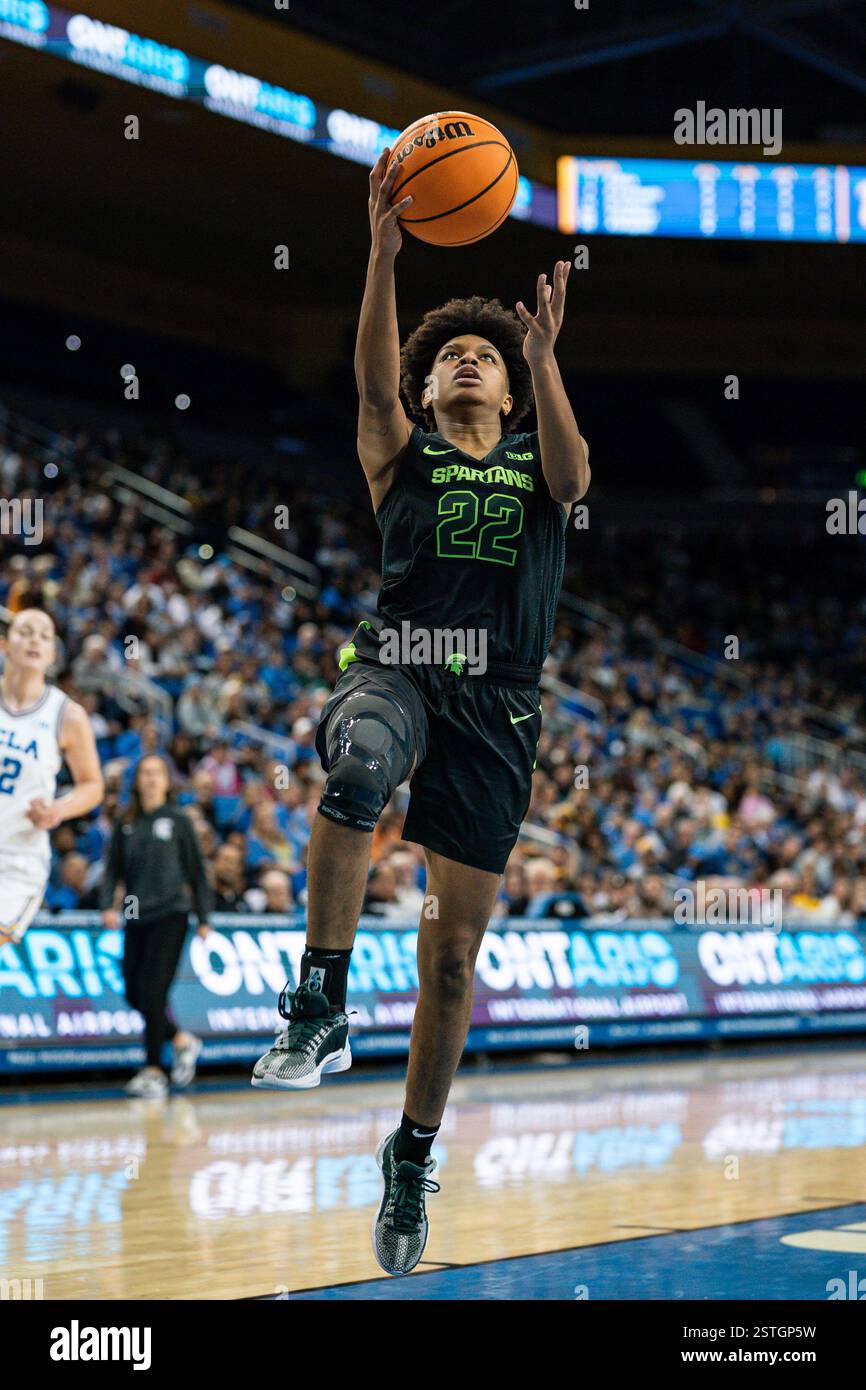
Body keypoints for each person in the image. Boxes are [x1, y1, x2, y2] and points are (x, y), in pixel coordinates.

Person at [252, 147, 590, 1275]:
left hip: (498, 707)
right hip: (398, 660)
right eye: (446, 352)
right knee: (352, 770)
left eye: (480, 358)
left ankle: (411, 1153)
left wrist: (542, 357)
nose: (461, 361)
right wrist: (381, 257)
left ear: (504, 389)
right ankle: (319, 1001)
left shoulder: (541, 472)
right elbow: (366, 385)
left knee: (449, 965)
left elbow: (579, 475)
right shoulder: (400, 457)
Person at [101, 754, 212, 1098]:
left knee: (153, 992)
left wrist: (204, 917)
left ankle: (153, 1070)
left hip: (171, 914)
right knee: (133, 991)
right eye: (144, 774)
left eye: (156, 774)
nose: (150, 779)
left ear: (166, 781)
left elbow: (197, 872)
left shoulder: (178, 821)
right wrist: (108, 905)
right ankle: (180, 1038)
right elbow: (112, 870)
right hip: (135, 914)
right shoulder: (126, 822)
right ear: (137, 782)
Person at [0, 609, 103, 947]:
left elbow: (92, 785)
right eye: (25, 631)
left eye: (44, 636)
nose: (34, 640)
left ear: (52, 655)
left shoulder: (66, 714)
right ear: (5, 645)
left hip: (16, 859)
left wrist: (59, 809)